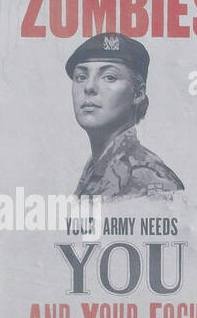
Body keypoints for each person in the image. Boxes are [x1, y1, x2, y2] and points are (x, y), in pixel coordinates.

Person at [67, 32, 185, 200]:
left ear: (138, 93)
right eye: (81, 77)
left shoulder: (150, 179)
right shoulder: (94, 168)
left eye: (109, 77)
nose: (89, 87)